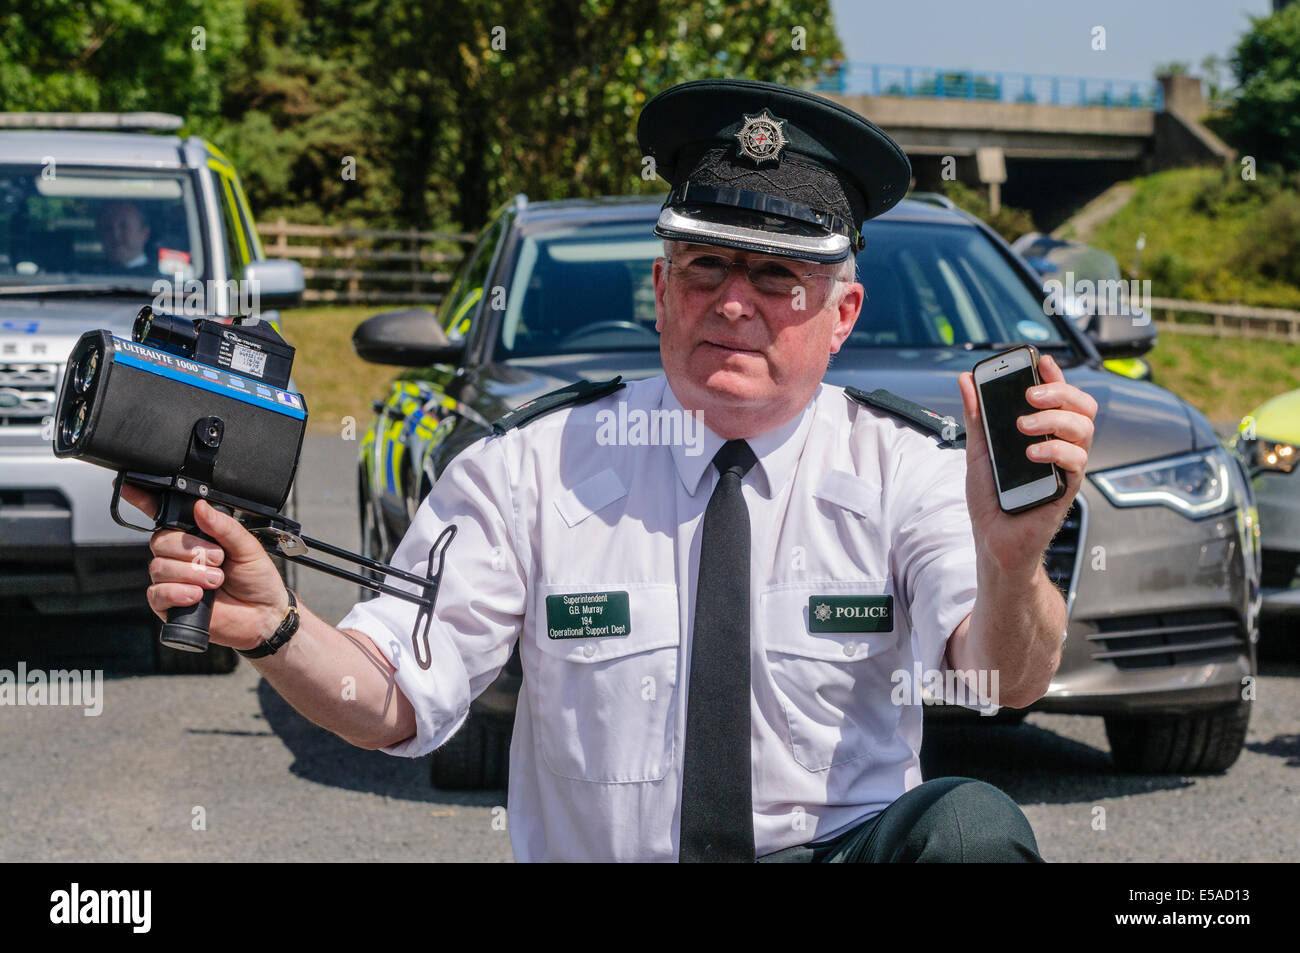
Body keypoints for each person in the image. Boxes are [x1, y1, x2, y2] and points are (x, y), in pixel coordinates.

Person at [125, 79, 1097, 863]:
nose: (733, 303)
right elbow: (395, 697)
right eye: (706, 266)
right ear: (663, 288)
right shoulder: (530, 463)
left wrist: (1014, 562)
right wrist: (279, 629)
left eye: (776, 278)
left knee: (970, 827)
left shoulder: (905, 465)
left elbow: (1000, 682)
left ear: (840, 316)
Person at [95, 200, 152, 273]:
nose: (115, 234)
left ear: (145, 233)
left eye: (124, 227)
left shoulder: (160, 278)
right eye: (108, 228)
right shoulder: (87, 274)